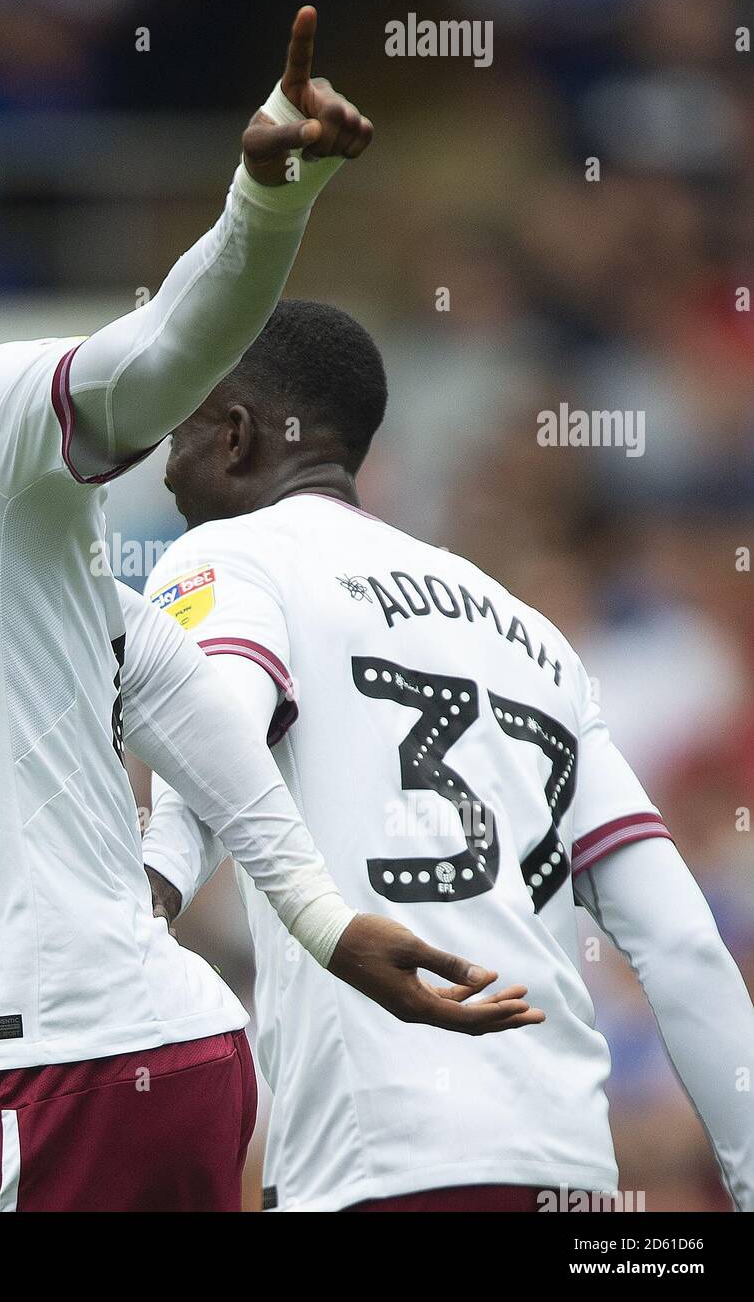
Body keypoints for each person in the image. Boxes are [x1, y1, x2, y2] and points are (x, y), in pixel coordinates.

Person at [0, 10, 533, 1212]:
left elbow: (158, 357)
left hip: (53, 1067)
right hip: (109, 1053)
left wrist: (266, 202)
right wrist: (315, 915)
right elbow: (149, 662)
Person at [143, 297, 754, 1213]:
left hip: (386, 1162)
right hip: (575, 1181)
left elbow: (210, 735)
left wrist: (149, 883)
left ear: (233, 433)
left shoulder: (233, 557)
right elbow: (681, 945)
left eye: (180, 427)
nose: (164, 462)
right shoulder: (531, 633)